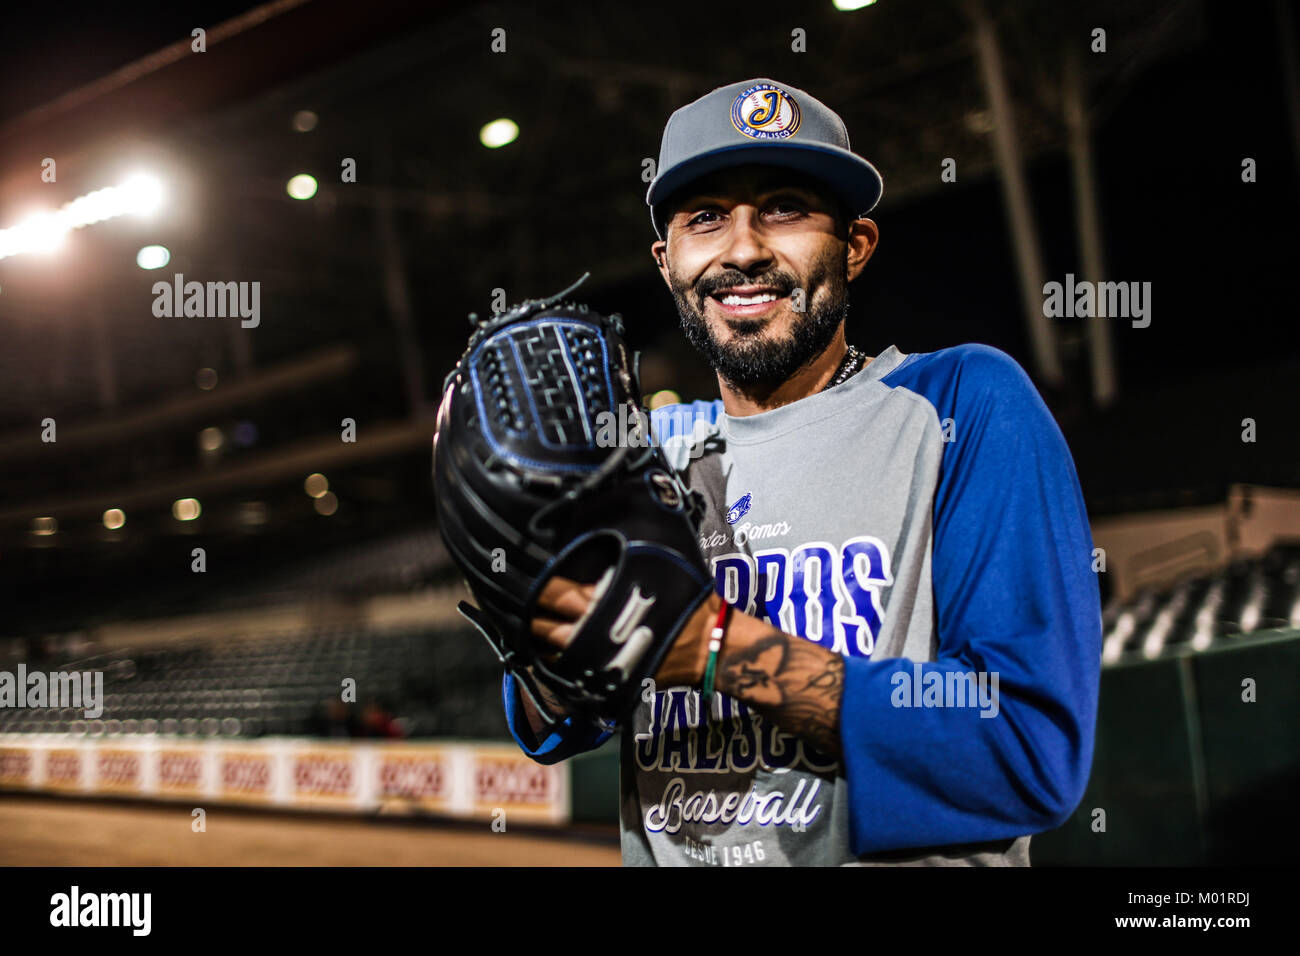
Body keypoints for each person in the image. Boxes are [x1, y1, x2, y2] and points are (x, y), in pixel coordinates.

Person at [505, 78, 1101, 866]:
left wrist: (718, 648)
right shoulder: (638, 458)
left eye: (785, 207)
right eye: (706, 218)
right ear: (667, 260)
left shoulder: (960, 403)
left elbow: (1025, 751)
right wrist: (546, 629)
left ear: (855, 246)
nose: (744, 249)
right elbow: (554, 725)